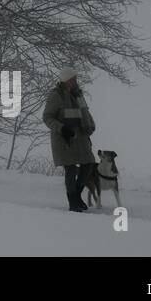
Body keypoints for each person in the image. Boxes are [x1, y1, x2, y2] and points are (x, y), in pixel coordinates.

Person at [42, 68, 96, 212]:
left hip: (81, 137)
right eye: (72, 79)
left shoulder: (78, 94)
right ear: (65, 80)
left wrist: (90, 124)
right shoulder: (56, 95)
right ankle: (73, 201)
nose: (74, 81)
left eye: (75, 79)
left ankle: (77, 195)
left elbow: (85, 113)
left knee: (89, 164)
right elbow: (47, 117)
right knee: (71, 169)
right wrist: (61, 128)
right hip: (64, 138)